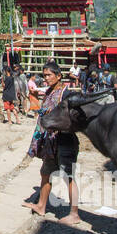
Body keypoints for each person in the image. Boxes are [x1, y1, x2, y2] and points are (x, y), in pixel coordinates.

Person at [24, 61, 81, 225]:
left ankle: (74, 213)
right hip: (49, 141)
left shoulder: (66, 94)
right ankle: (41, 206)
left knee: (68, 176)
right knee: (45, 172)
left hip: (64, 140)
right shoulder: (49, 91)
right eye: (44, 75)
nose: (46, 78)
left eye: (49, 75)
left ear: (59, 76)